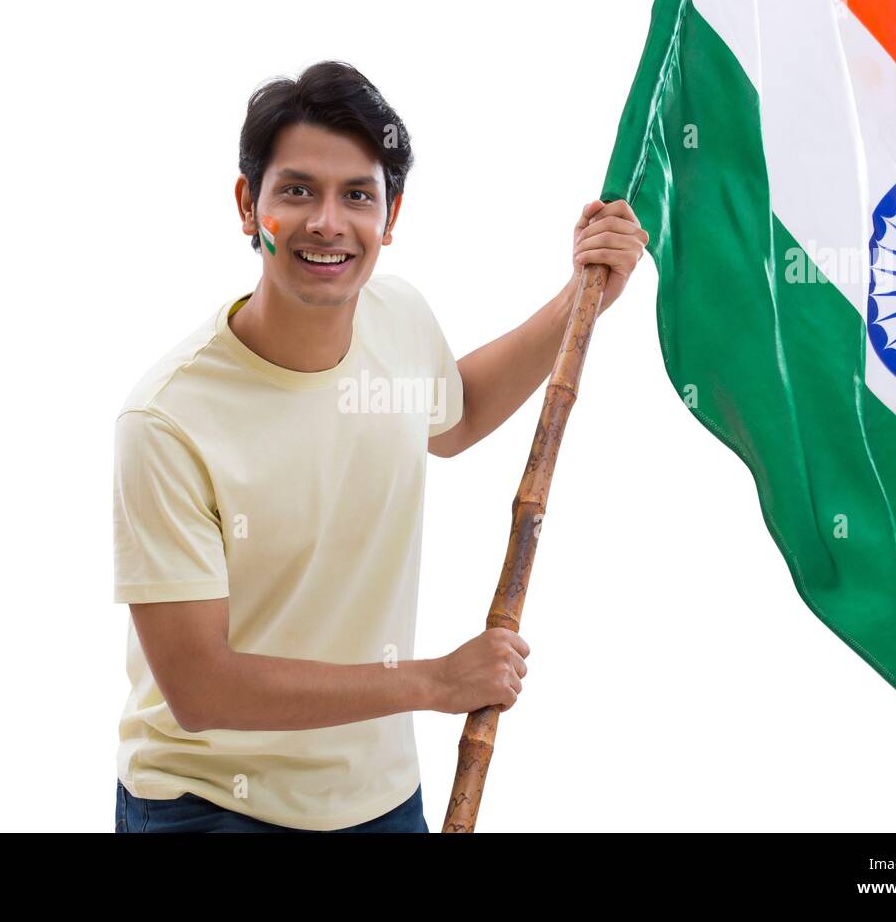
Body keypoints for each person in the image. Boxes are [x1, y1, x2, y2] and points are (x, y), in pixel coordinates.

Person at [112, 60, 647, 833]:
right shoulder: (166, 422)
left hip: (381, 802)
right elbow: (202, 690)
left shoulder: (396, 318)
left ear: (391, 217)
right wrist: (433, 683)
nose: (328, 222)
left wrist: (583, 298)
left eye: (358, 195)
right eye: (297, 190)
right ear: (247, 204)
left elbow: (453, 419)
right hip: (209, 808)